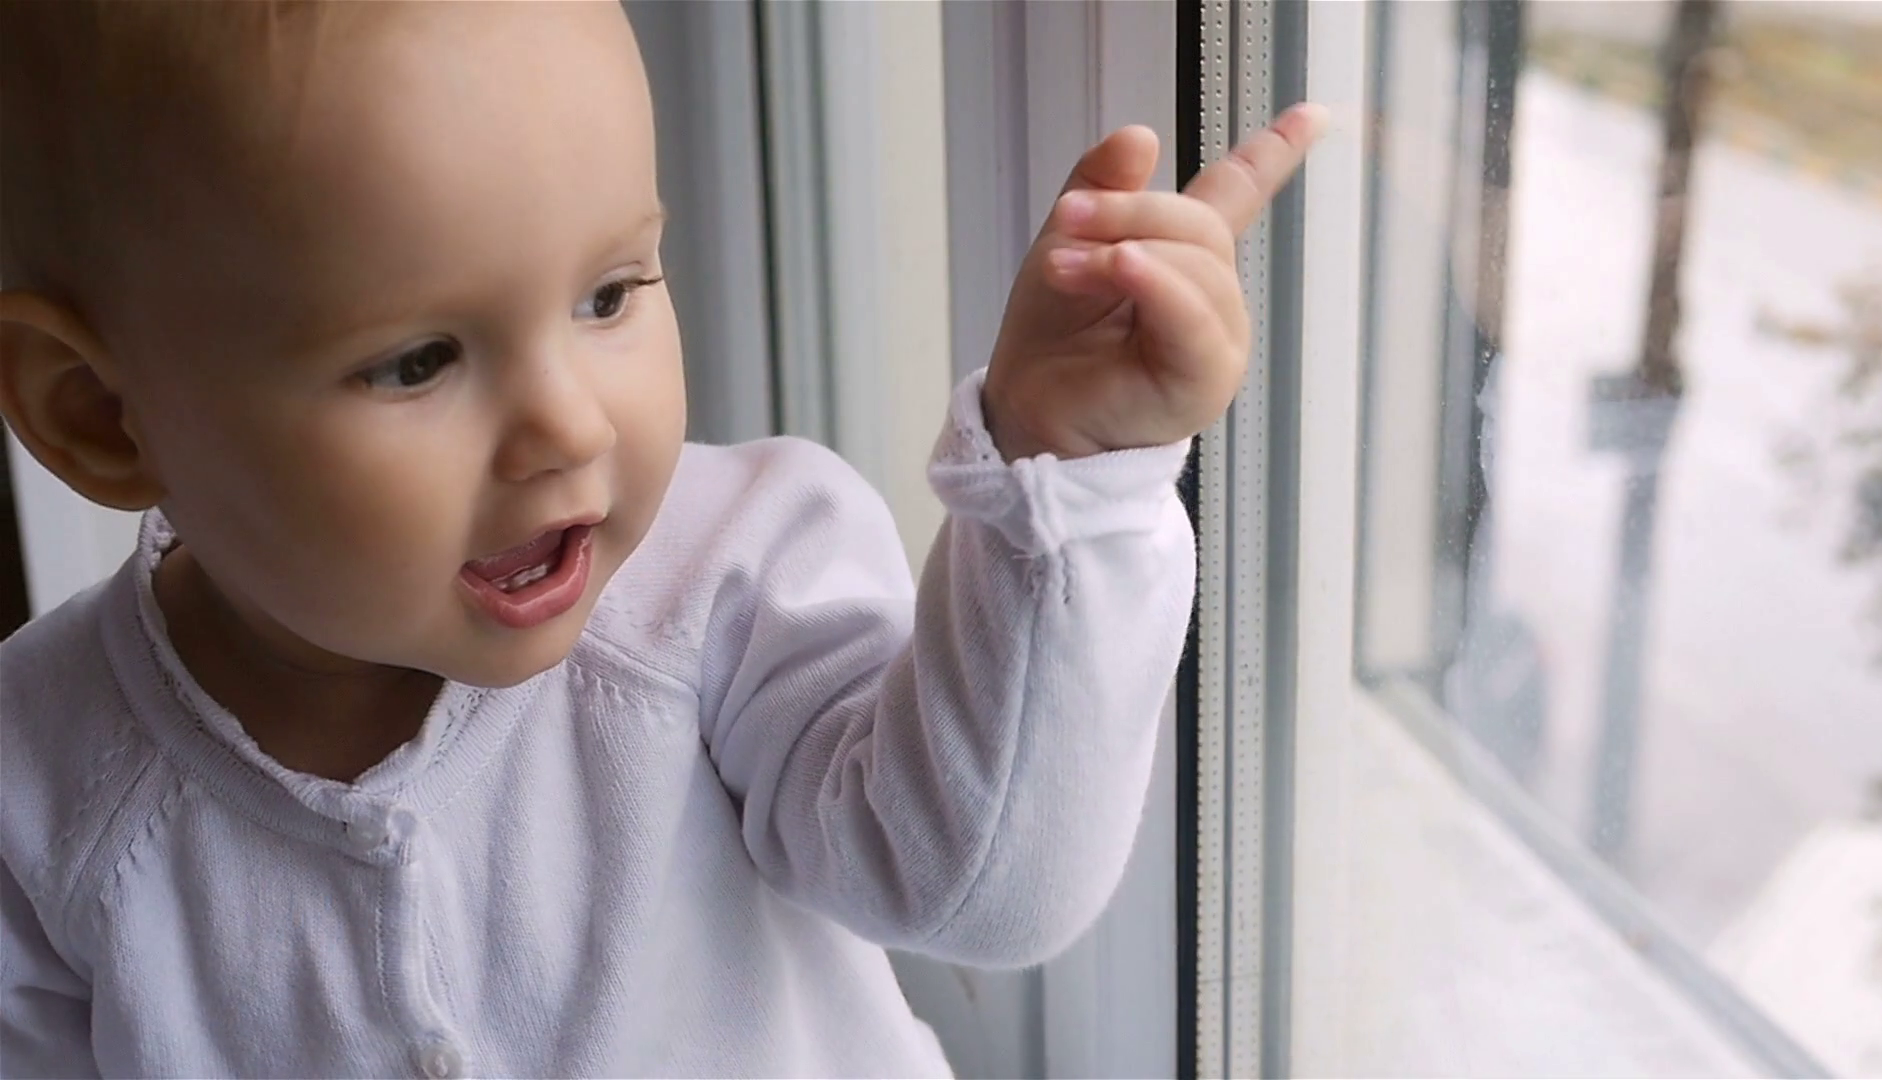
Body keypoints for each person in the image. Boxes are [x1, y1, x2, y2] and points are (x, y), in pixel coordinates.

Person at [0, 2, 1322, 1075]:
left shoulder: (730, 575)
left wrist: (1069, 471)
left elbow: (981, 888)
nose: (568, 430)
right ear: (102, 416)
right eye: (416, 362)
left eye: (610, 291)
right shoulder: (37, 786)